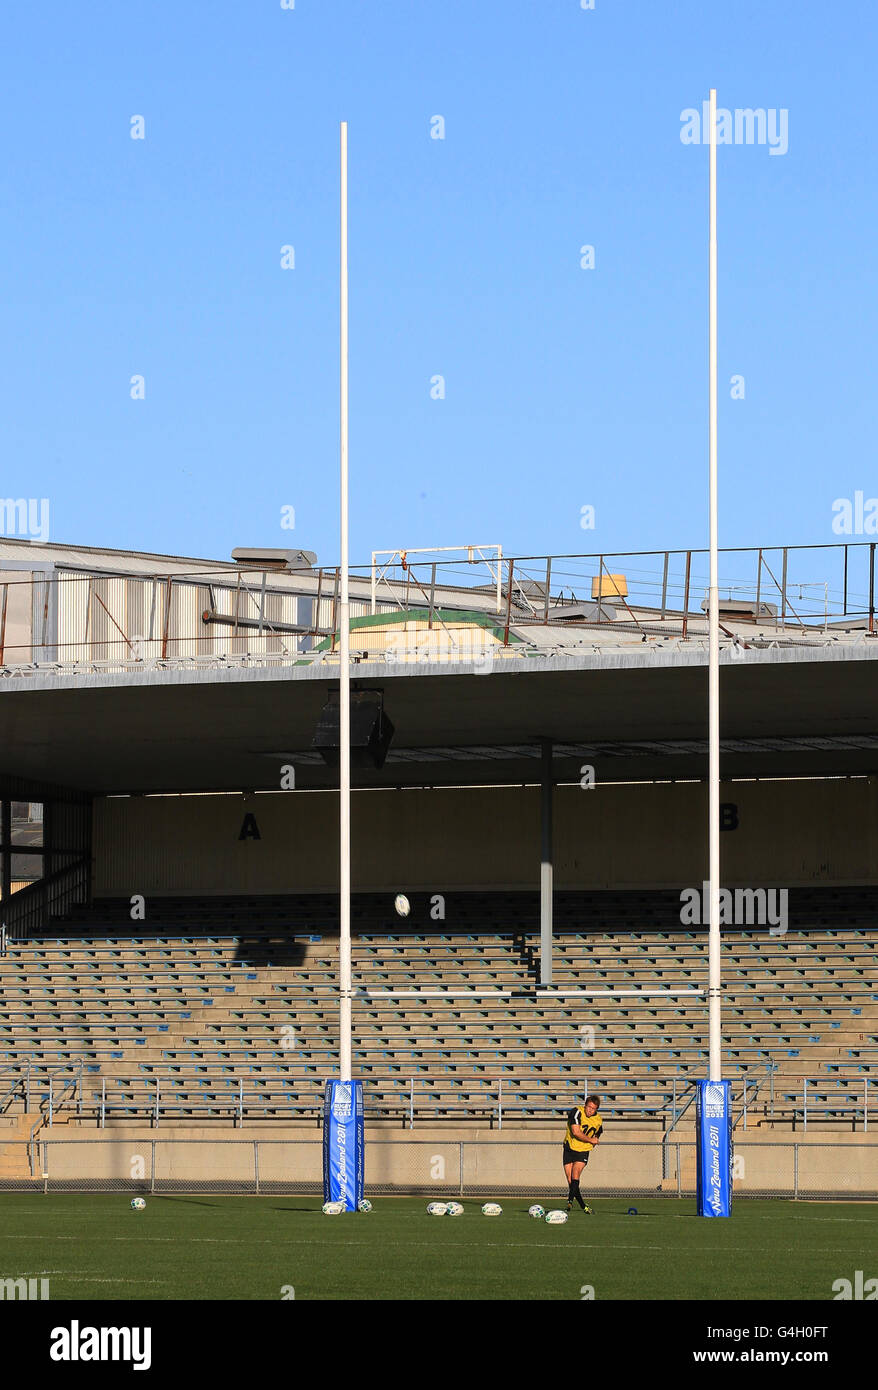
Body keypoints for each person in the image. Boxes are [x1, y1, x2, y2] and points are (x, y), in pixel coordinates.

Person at [562, 1094, 602, 1210]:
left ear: (596, 1109)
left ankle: (569, 1201)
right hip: (570, 1147)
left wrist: (596, 1139)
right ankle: (583, 1205)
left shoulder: (598, 1119)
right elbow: (575, 1132)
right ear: (585, 1106)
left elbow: (599, 1131)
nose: (590, 1110)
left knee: (575, 1175)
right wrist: (591, 1140)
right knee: (570, 1180)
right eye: (589, 1107)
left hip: (583, 1150)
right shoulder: (576, 1111)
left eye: (593, 1108)